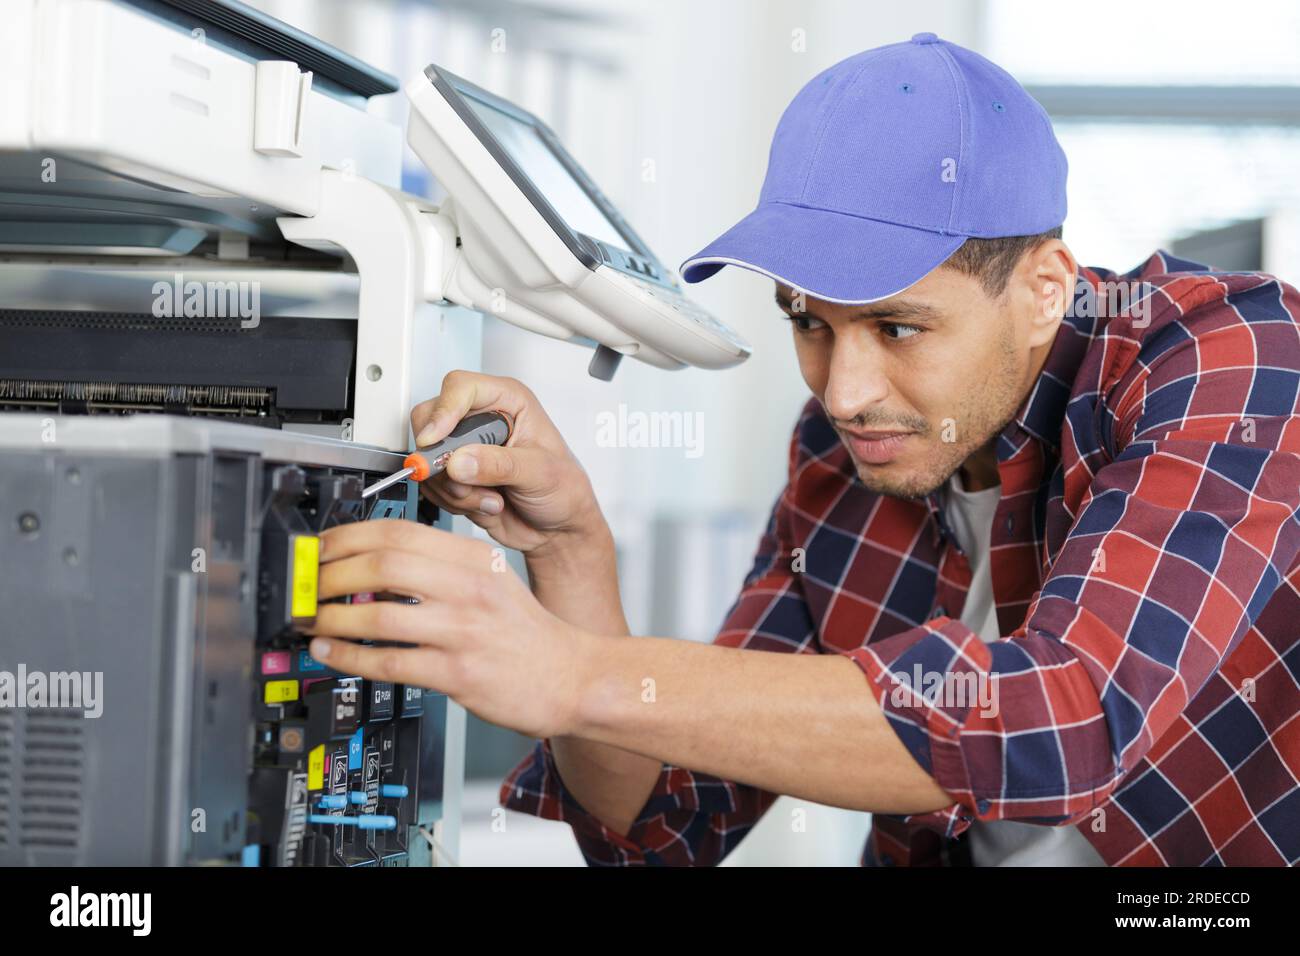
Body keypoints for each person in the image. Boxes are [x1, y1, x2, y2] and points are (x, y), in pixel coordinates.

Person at [303, 34, 1300, 866]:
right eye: (806, 320)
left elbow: (1068, 714)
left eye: (897, 327)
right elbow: (658, 825)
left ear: (1043, 288)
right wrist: (571, 552)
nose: (842, 390)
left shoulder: (1227, 359)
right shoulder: (842, 452)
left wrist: (571, 671)